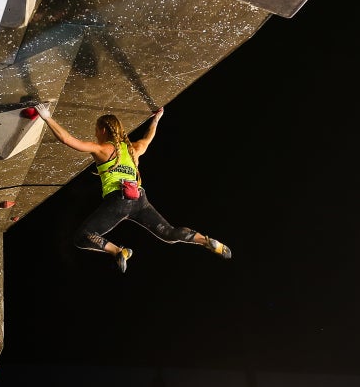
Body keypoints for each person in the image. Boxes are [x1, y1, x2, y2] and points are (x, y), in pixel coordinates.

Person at [33, 103, 232, 273]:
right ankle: (205, 241)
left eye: (96, 129)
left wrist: (47, 118)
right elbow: (148, 138)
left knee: (82, 237)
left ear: (103, 130)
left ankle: (119, 251)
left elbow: (68, 140)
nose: (95, 133)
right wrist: (156, 119)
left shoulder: (103, 149)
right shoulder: (133, 149)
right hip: (140, 200)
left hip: (118, 200)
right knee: (170, 234)